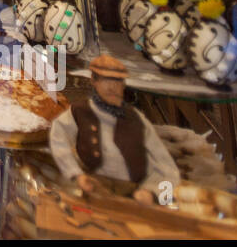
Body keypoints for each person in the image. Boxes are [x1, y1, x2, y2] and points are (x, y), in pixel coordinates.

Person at [48, 55, 179, 204]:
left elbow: (167, 168)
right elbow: (58, 137)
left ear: (123, 84)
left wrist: (155, 195)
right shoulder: (80, 111)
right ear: (94, 81)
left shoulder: (136, 119)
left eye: (116, 81)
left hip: (134, 197)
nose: (111, 87)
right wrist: (76, 174)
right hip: (91, 191)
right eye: (105, 80)